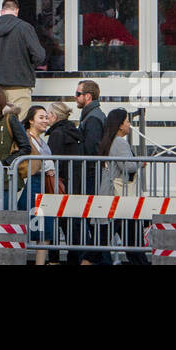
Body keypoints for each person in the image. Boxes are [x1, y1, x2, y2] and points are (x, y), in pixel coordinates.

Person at [0, 0, 45, 119]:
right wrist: (27, 64)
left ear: (2, 12)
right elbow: (39, 56)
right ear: (16, 11)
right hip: (19, 85)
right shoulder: (25, 28)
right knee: (19, 126)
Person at [99, 108, 148, 264]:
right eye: (127, 122)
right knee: (133, 244)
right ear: (120, 125)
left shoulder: (111, 140)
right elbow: (127, 166)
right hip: (121, 198)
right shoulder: (120, 142)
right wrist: (141, 162)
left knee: (105, 241)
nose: (129, 125)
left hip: (114, 198)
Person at [74, 79, 112, 264]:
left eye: (78, 94)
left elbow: (92, 149)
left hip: (91, 175)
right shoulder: (92, 115)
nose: (75, 97)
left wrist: (85, 172)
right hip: (91, 174)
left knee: (93, 222)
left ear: (87, 96)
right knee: (95, 223)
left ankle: (97, 260)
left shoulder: (93, 118)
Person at [46, 100, 84, 264]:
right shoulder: (73, 132)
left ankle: (54, 259)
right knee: (70, 225)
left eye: (48, 114)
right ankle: (73, 258)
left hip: (59, 185)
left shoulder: (57, 134)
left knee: (55, 223)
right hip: (73, 183)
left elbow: (54, 161)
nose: (47, 117)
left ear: (54, 116)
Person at [17, 104, 55, 265]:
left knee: (45, 228)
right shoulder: (26, 139)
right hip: (30, 185)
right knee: (26, 224)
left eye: (46, 117)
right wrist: (48, 167)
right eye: (41, 117)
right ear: (31, 120)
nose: (45, 121)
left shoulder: (41, 141)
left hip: (42, 185)